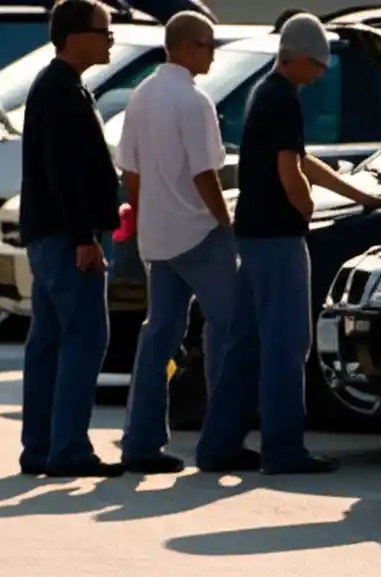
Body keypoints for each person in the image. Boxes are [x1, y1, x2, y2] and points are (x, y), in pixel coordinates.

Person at [195, 12, 381, 475]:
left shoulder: (264, 92)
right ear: (301, 58)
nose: (323, 74)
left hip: (254, 235)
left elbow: (302, 161)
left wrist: (359, 194)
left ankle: (217, 446)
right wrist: (306, 211)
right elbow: (291, 173)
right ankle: (283, 449)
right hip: (279, 239)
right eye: (320, 65)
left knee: (245, 344)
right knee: (287, 346)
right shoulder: (283, 99)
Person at [113, 11, 242, 474]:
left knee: (158, 336)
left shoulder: (142, 95)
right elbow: (204, 172)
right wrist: (224, 221)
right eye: (208, 44)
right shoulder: (193, 100)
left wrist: (147, 218)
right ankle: (220, 441)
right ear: (186, 46)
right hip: (200, 234)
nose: (212, 52)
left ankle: (140, 443)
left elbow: (131, 172)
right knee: (227, 331)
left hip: (159, 238)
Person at [18, 0, 122, 478]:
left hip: (53, 236)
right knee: (85, 338)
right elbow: (64, 173)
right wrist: (84, 237)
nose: (111, 39)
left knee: (49, 341)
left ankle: (41, 448)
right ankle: (68, 451)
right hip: (64, 238)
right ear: (76, 35)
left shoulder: (62, 87)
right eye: (104, 31)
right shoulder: (59, 91)